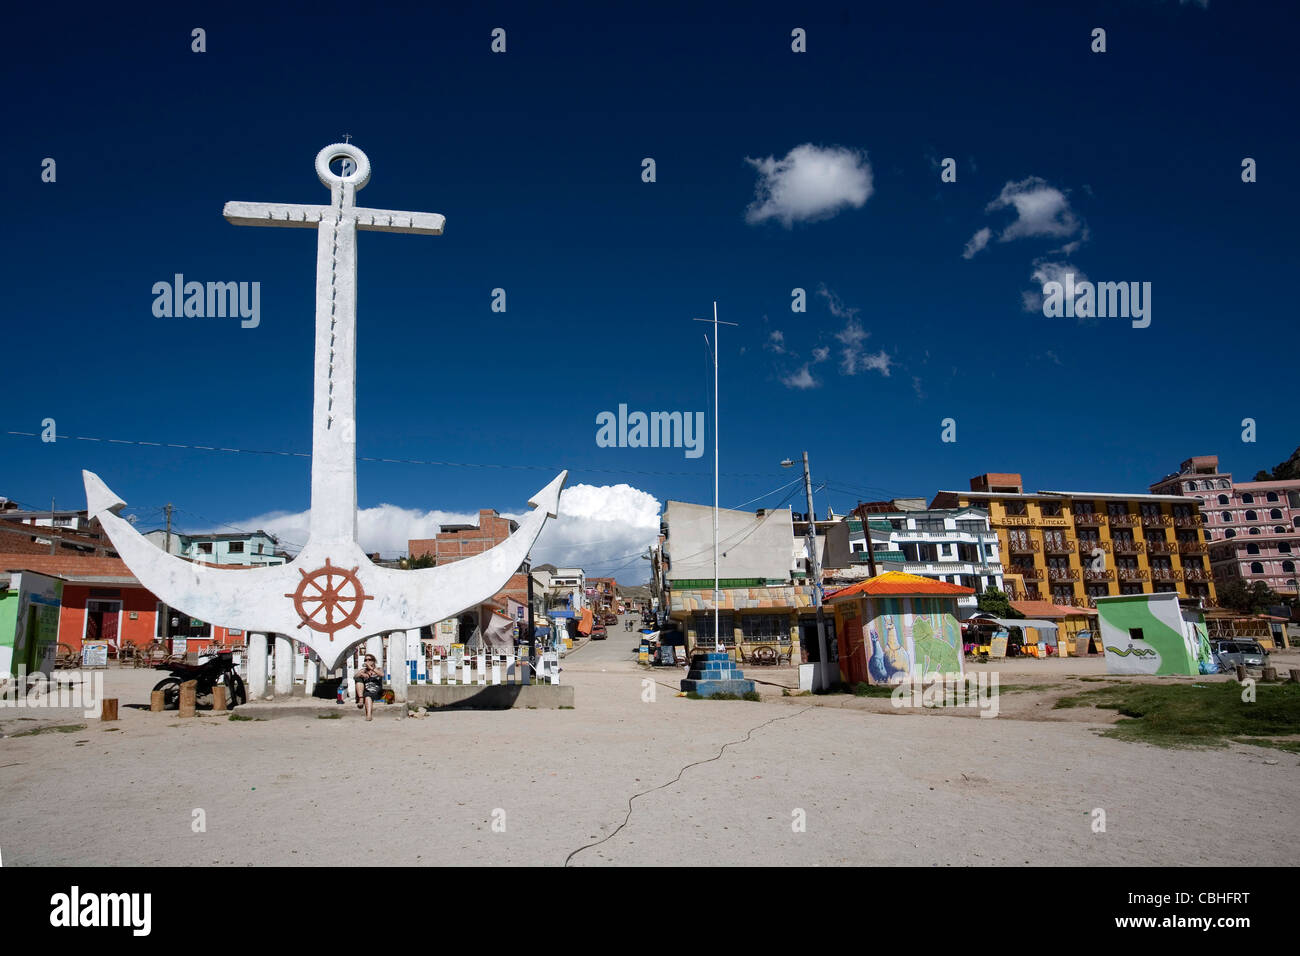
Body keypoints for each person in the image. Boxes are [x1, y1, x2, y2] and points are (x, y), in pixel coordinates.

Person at [354, 653, 383, 721]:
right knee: (358, 678)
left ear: (373, 661)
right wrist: (362, 674)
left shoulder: (378, 669)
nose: (367, 661)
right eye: (366, 660)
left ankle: (369, 715)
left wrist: (371, 668)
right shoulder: (364, 670)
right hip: (366, 690)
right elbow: (355, 677)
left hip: (376, 690)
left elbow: (382, 674)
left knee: (368, 696)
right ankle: (361, 699)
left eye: (369, 659)